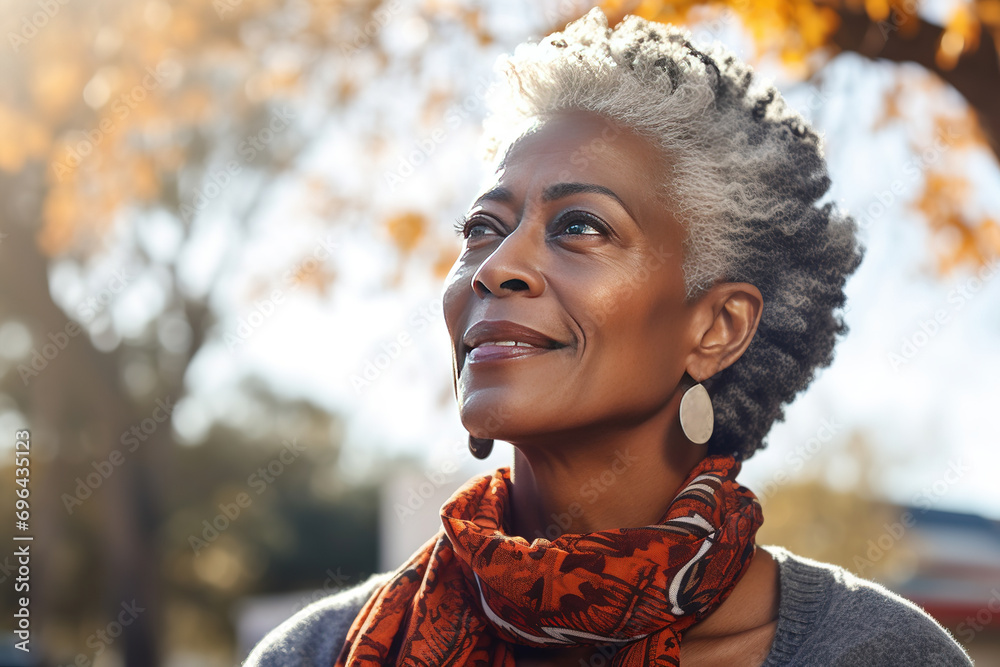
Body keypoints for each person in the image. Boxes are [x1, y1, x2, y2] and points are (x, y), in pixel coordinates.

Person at [245, 8, 974, 666]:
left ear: (716, 327)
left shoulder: (870, 652)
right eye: (481, 229)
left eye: (581, 226)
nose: (497, 267)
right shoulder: (318, 650)